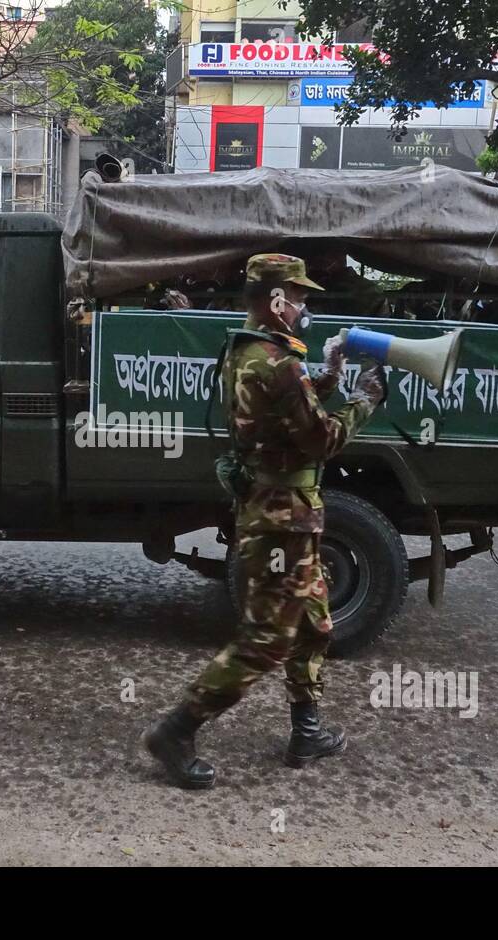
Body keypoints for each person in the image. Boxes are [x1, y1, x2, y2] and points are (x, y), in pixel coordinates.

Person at [143, 253, 387, 789]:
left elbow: (282, 413)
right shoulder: (276, 361)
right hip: (281, 520)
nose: (303, 307)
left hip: (287, 515)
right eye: (298, 297)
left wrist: (327, 379)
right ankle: (176, 730)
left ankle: (307, 730)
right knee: (268, 640)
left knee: (316, 623)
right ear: (277, 301)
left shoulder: (251, 350)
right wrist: (366, 401)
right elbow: (321, 439)